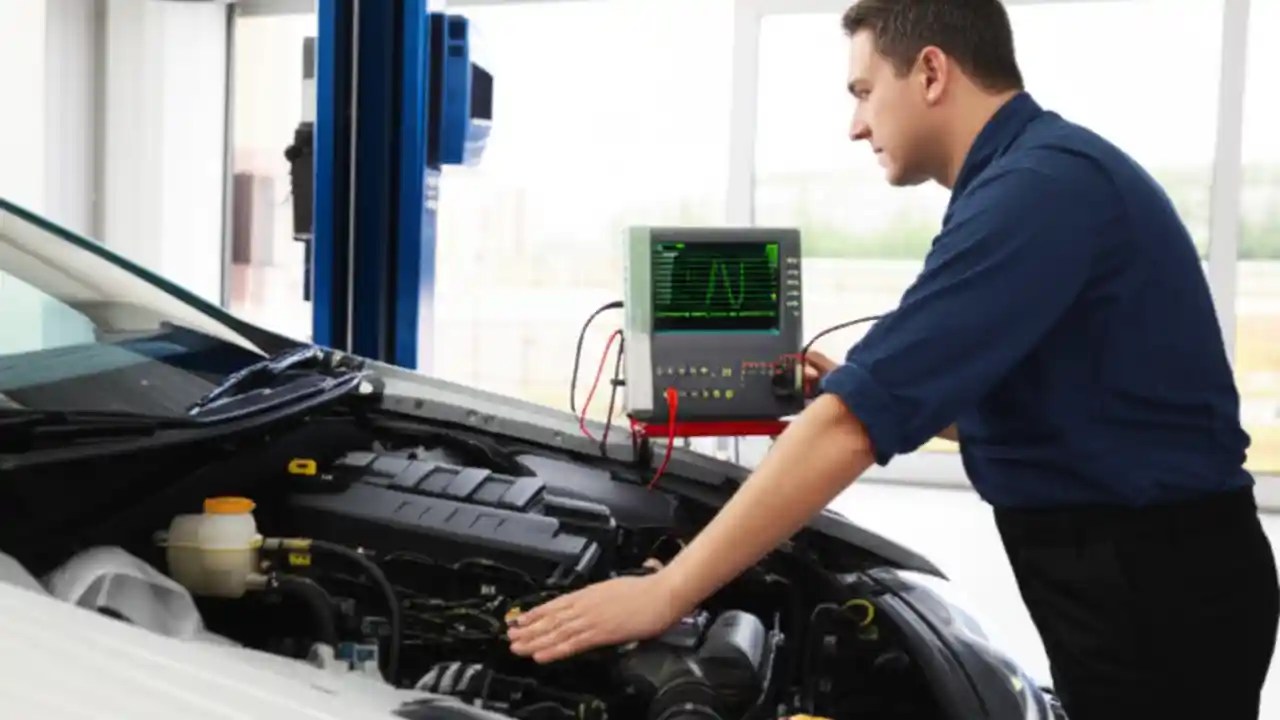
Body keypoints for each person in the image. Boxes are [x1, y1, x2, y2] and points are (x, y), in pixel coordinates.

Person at [508, 1, 1280, 717]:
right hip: (1138, 571)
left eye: (864, 91)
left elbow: (850, 430)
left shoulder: (1039, 190)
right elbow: (1055, 402)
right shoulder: (1034, 174)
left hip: (1155, 590)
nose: (855, 125)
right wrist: (864, 388)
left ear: (932, 72)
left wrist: (667, 593)